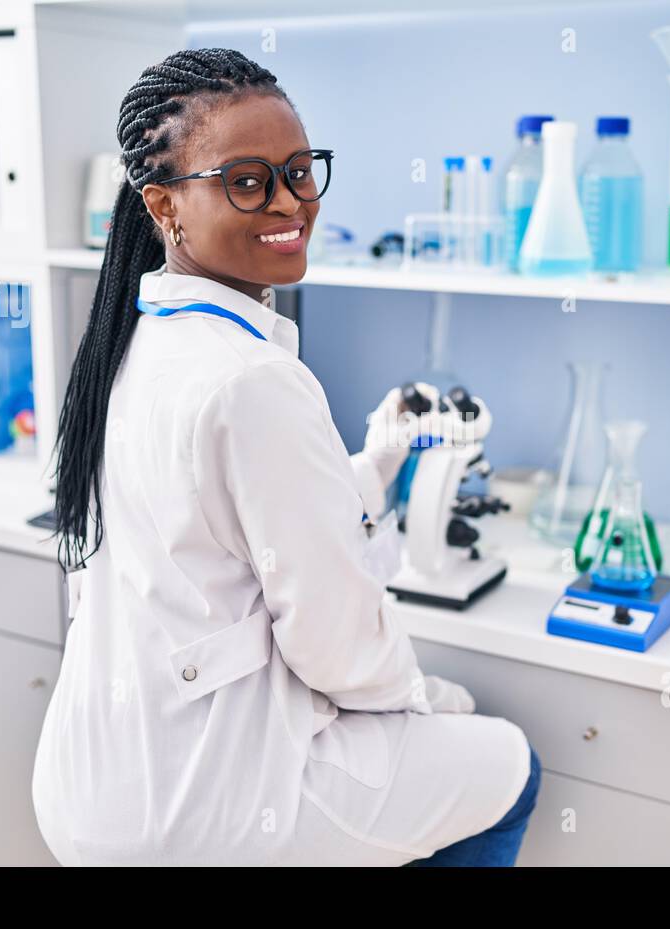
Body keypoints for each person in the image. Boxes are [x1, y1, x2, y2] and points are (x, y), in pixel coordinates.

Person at [31, 48, 537, 866]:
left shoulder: (128, 347)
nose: (290, 203)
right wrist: (431, 700)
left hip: (90, 792)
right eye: (247, 180)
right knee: (514, 763)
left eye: (301, 171)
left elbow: (233, 524)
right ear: (166, 206)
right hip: (203, 812)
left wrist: (372, 466)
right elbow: (336, 650)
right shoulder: (255, 379)